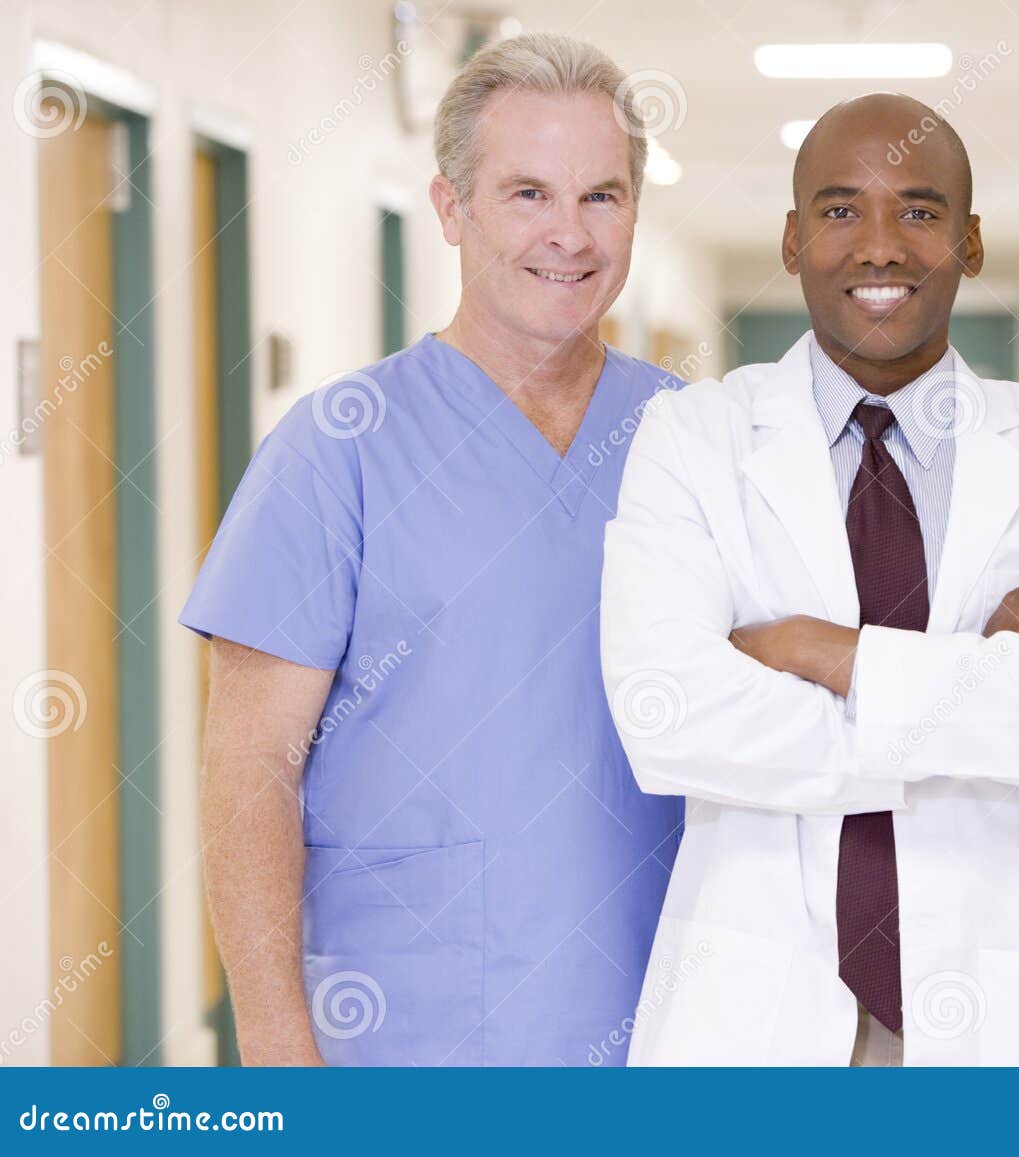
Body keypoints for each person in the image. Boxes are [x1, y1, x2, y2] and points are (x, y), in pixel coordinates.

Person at [600, 93, 1019, 1066]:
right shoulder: (690, 438)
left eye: (917, 209)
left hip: (1007, 1018)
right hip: (761, 1011)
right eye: (837, 210)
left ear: (971, 239)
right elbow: (666, 718)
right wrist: (977, 674)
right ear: (790, 240)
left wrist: (824, 653)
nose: (878, 245)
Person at [181, 33, 683, 1066]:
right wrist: (279, 1053)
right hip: (406, 1034)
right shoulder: (339, 449)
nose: (569, 234)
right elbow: (247, 770)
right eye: (527, 193)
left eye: (603, 195)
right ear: (451, 209)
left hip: (670, 1023)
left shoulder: (694, 440)